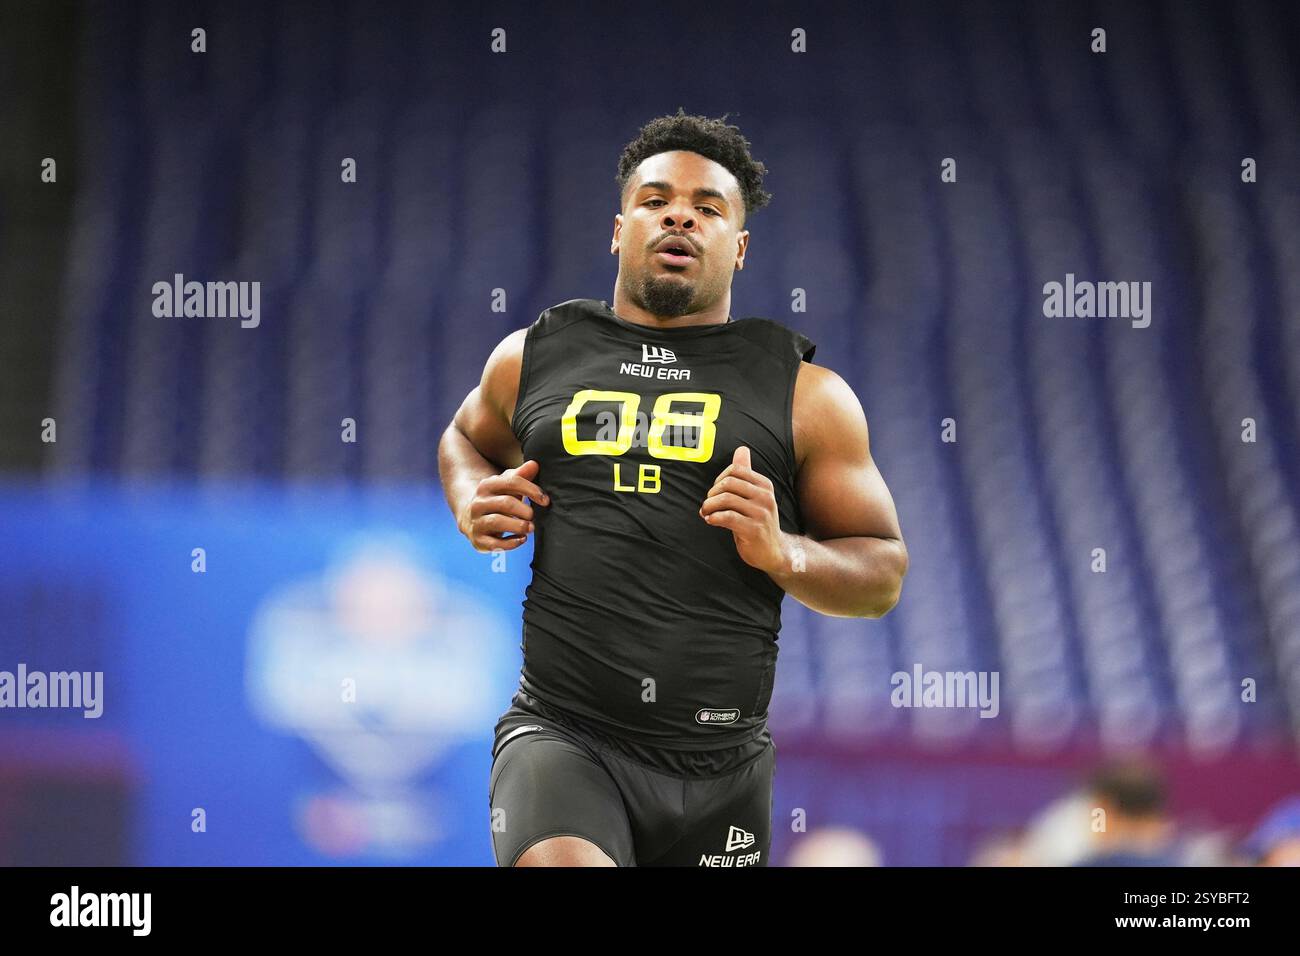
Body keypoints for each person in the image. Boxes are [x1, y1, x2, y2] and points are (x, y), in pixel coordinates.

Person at [438, 109, 907, 867]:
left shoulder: (807, 394)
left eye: (708, 208)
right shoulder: (533, 356)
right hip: (564, 732)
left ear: (739, 247)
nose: (679, 215)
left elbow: (882, 575)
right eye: (655, 200)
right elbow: (464, 439)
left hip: (722, 767)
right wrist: (470, 498)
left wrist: (783, 552)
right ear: (619, 230)